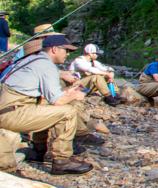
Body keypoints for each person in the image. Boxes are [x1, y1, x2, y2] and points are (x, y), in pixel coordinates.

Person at [0, 34, 93, 174]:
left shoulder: (32, 59)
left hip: (9, 109)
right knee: (68, 112)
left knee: (44, 106)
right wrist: (75, 94)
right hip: (11, 113)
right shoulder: (45, 65)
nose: (67, 54)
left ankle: (39, 151)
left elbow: (48, 97)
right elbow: (58, 101)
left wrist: (67, 92)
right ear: (54, 49)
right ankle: (62, 161)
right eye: (66, 50)